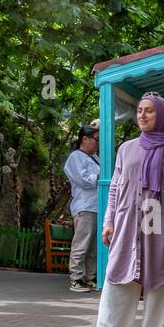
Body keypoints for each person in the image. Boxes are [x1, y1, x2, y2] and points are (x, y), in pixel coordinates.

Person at [77, 92, 164, 327]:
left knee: (159, 285)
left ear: (162, 115)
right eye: (140, 110)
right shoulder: (126, 148)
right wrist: (108, 221)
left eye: (149, 111)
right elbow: (115, 187)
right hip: (127, 224)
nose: (142, 115)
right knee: (117, 280)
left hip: (159, 225)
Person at [63, 124, 100, 293]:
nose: (98, 144)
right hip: (85, 206)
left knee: (93, 247)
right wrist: (100, 176)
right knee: (82, 244)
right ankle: (76, 278)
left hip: (96, 206)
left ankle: (89, 278)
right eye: (96, 140)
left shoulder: (95, 158)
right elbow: (84, 180)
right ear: (85, 139)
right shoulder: (76, 157)